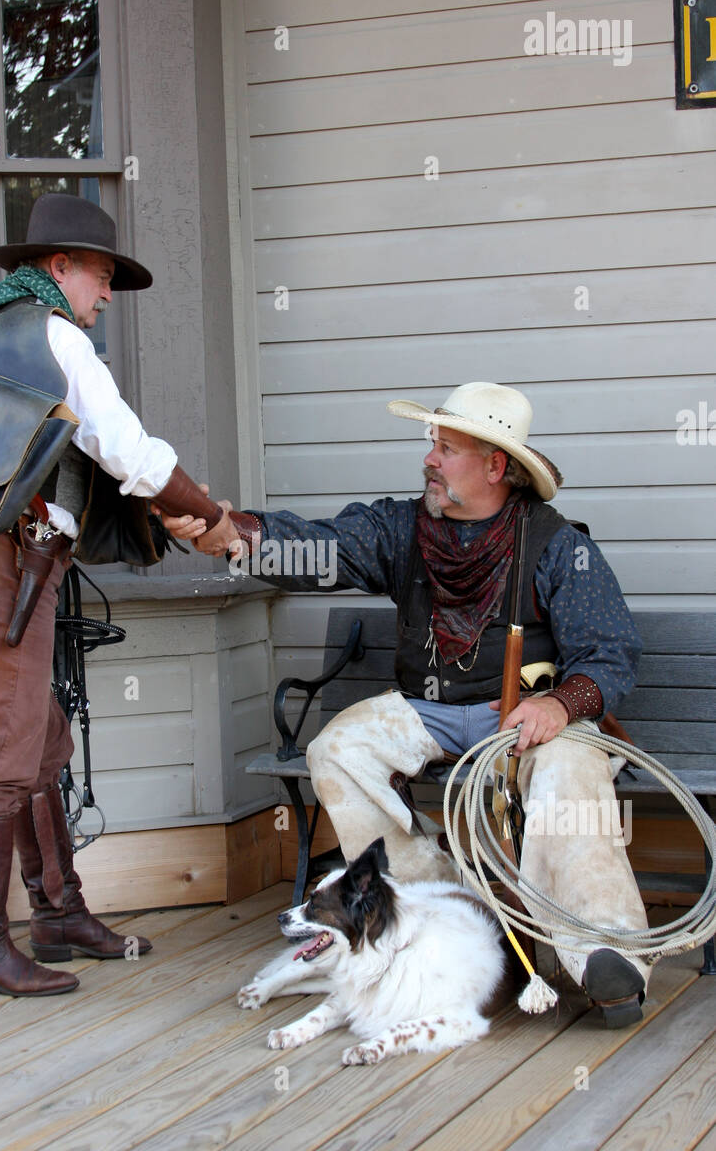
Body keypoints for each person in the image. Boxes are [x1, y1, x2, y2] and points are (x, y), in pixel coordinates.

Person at [182, 381, 651, 1027]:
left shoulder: (557, 544)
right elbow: (321, 548)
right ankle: (449, 904)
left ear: (496, 466)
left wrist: (564, 705)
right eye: (432, 443)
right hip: (427, 709)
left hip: (526, 720)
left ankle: (603, 951)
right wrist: (235, 534)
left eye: (448, 447)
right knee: (337, 751)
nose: (430, 458)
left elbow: (611, 651)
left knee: (573, 772)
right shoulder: (402, 529)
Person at [0, 194, 237, 997]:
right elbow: (129, 453)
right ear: (58, 267)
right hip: (6, 565)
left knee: (40, 740)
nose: (105, 296)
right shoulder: (54, 336)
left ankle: (57, 914)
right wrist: (213, 520)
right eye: (101, 276)